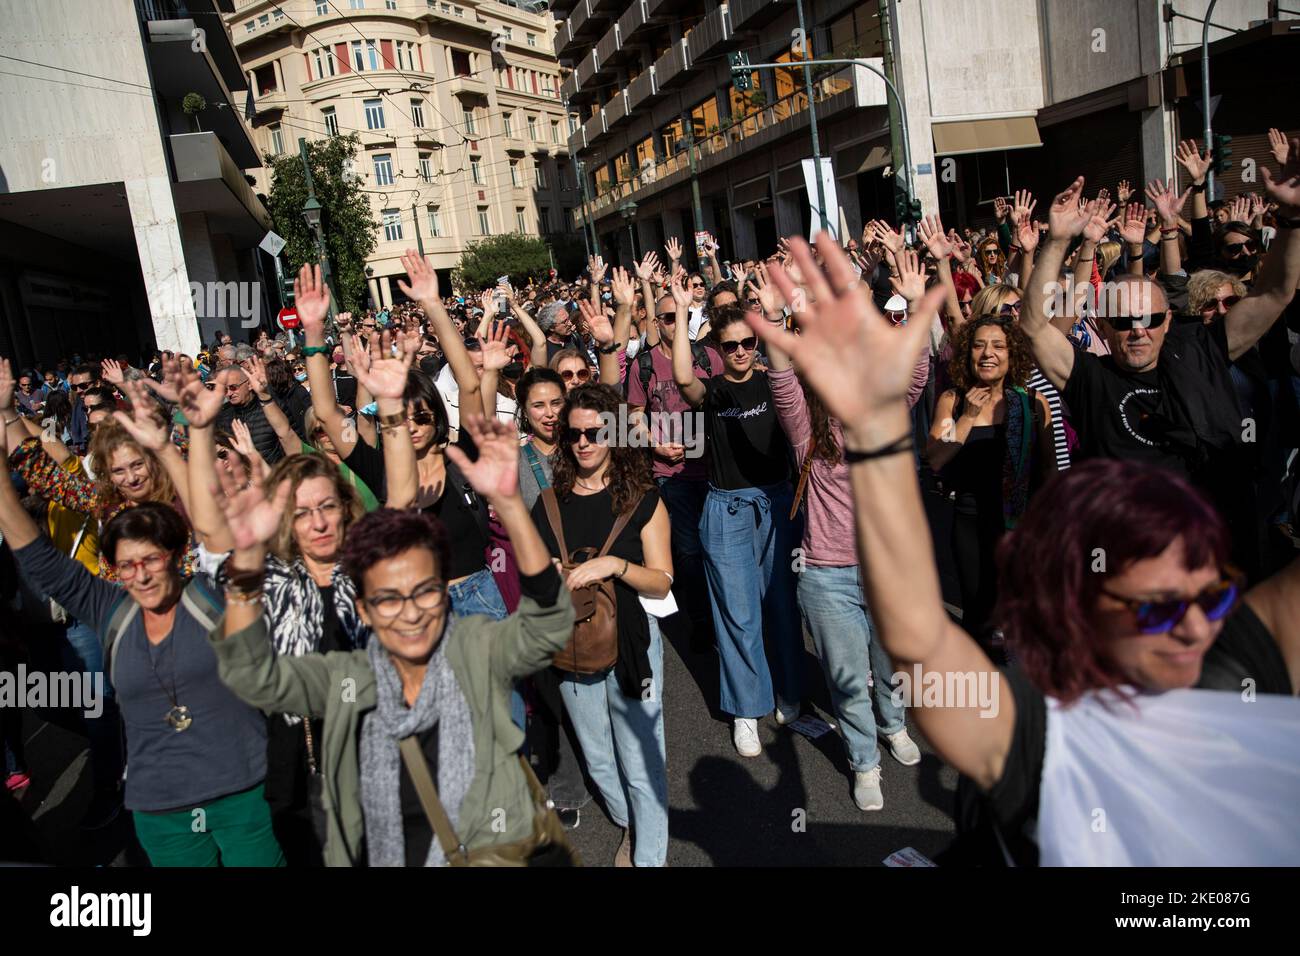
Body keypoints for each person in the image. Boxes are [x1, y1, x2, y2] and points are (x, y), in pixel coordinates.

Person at [748, 231, 1300, 867]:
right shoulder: (1042, 730)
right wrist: (875, 437)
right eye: (1152, 607)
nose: (1191, 625)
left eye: (1210, 595)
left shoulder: (1243, 682)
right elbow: (924, 641)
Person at [210, 416, 575, 866]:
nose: (319, 523)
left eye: (327, 506)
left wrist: (510, 506)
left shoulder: (380, 571)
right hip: (311, 774)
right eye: (301, 513)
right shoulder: (269, 582)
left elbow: (545, 624)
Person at [0, 441, 283, 865]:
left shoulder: (209, 598)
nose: (142, 574)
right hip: (161, 807)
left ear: (175, 556)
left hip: (239, 791)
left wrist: (187, 438)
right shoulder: (110, 608)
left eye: (151, 559)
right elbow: (38, 557)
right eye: (127, 564)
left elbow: (224, 548)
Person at [1021, 167, 1300, 579]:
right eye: (1123, 320)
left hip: (1213, 560)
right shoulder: (1090, 377)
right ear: (1101, 325)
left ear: (1169, 320)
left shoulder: (1200, 350)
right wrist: (1059, 239)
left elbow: (1275, 292)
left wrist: (1292, 219)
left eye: (1150, 317)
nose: (1138, 329)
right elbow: (1033, 328)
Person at [759, 259, 924, 812]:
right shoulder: (807, 433)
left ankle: (894, 725)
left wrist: (918, 303)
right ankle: (864, 762)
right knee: (849, 678)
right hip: (826, 576)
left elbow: (918, 369)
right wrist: (775, 318)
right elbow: (782, 381)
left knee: (891, 665)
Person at [531, 384, 673, 866]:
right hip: (573, 644)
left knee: (641, 761)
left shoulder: (644, 500)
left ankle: (649, 855)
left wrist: (615, 566)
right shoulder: (549, 504)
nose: (584, 442)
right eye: (574, 434)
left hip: (633, 642)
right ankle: (634, 825)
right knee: (597, 758)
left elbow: (661, 581)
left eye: (594, 432)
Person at [671, 271, 803, 758]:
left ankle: (791, 692)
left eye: (749, 342)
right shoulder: (714, 392)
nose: (743, 351)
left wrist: (771, 316)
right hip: (726, 509)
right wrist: (684, 312)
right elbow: (683, 378)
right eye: (731, 346)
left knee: (784, 606)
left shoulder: (775, 381)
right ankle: (747, 709)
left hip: (777, 503)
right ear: (719, 350)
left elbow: (785, 358)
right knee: (737, 612)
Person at [926, 312, 1056, 645]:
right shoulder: (952, 401)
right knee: (979, 619)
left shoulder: (1033, 403)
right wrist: (968, 418)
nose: (988, 354)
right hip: (971, 525)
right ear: (967, 352)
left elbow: (1048, 472)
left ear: (1012, 354)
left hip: (1021, 527)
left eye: (998, 346)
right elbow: (937, 456)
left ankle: (1023, 691)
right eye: (979, 345)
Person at [626, 289, 722, 653]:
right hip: (669, 471)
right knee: (688, 551)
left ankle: (723, 614)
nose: (675, 323)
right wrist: (654, 444)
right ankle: (701, 621)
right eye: (668, 317)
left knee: (718, 549)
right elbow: (633, 414)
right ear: (656, 323)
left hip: (713, 469)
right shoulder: (643, 365)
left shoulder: (709, 357)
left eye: (681, 316)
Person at [214, 366, 287, 467]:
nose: (229, 393)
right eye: (225, 389)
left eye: (233, 387)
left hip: (278, 476)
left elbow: (292, 441)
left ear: (249, 385)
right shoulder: (222, 417)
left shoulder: (272, 408)